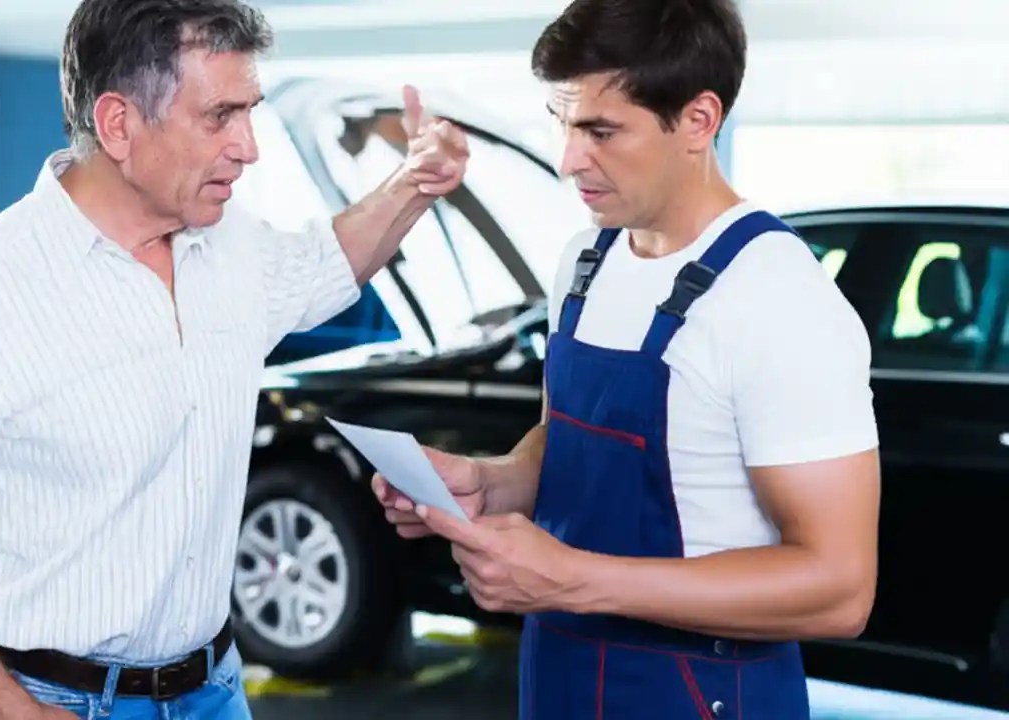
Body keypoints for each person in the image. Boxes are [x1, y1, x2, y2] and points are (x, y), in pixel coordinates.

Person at [0, 1, 468, 718]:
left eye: (249, 111)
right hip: (57, 700)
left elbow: (328, 261)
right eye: (219, 117)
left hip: (217, 690)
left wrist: (416, 181)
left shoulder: (229, 248)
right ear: (118, 125)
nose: (248, 147)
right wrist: (4, 710)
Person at [373, 0, 880, 717]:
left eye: (601, 130)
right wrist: (493, 482)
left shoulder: (776, 298)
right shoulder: (585, 259)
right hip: (560, 677)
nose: (568, 159)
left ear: (699, 121)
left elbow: (839, 589)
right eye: (562, 121)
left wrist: (573, 580)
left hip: (704, 695)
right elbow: (566, 441)